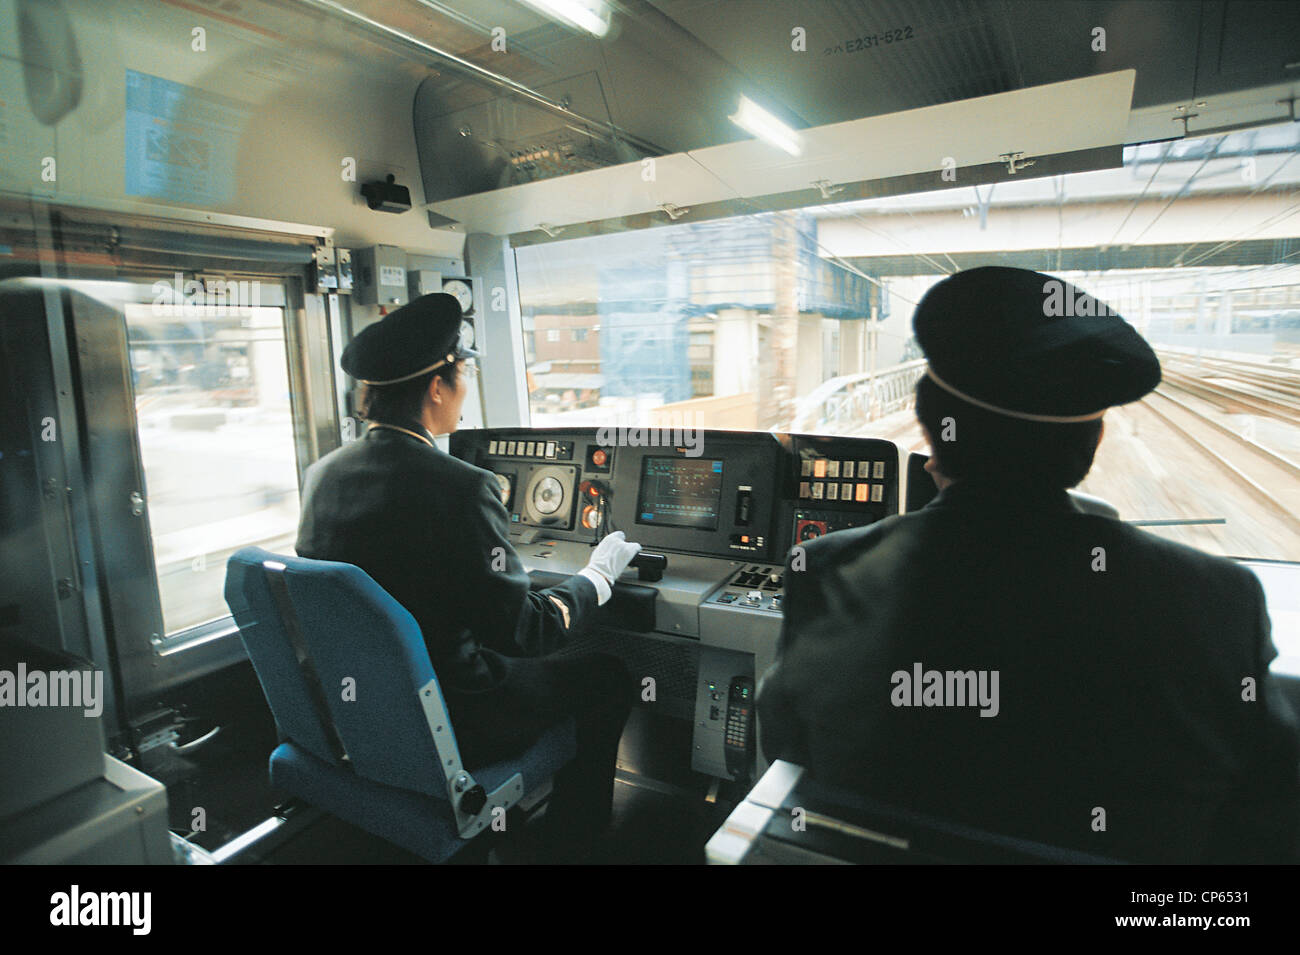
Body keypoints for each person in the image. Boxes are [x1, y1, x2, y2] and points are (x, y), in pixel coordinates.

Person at [758, 266, 1300, 863]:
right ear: (1090, 447)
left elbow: (785, 742)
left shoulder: (830, 568)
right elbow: (1270, 807)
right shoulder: (1219, 597)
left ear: (932, 426)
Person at [295, 292, 642, 860]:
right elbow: (524, 634)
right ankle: (576, 843)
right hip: (457, 714)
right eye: (462, 376)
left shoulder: (321, 476)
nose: (463, 391)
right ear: (437, 387)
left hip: (358, 711)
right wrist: (596, 578)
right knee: (607, 677)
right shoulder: (461, 488)